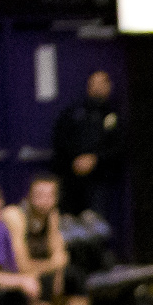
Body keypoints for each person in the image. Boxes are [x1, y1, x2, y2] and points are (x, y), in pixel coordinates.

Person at [3, 174, 110, 305]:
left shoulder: (51, 215)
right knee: (42, 281)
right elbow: (21, 265)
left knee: (75, 277)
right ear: (29, 196)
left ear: (55, 198)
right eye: (39, 195)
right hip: (11, 277)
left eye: (49, 195)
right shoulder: (15, 216)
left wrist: (58, 272)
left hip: (38, 274)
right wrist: (53, 267)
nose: (44, 200)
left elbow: (61, 255)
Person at [52, 70, 125, 220]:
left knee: (97, 226)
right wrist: (76, 160)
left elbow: (120, 147)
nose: (98, 88)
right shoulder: (73, 112)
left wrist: (95, 159)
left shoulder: (116, 115)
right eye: (94, 84)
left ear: (109, 86)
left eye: (102, 83)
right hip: (71, 179)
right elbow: (60, 140)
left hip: (102, 180)